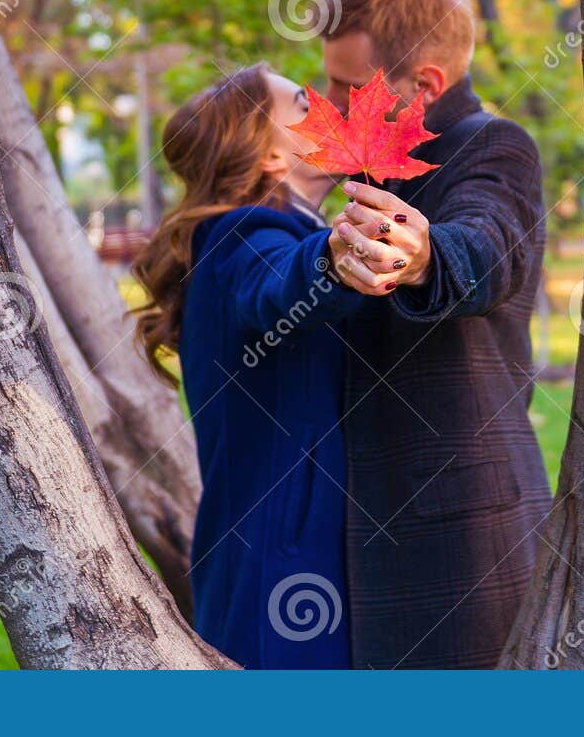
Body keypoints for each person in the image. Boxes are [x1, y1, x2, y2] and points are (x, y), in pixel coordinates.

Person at [320, 0, 553, 669]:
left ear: (424, 85)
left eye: (349, 87)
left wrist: (421, 256)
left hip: (456, 534)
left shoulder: (493, 146)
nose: (329, 103)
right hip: (364, 520)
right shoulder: (370, 169)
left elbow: (487, 246)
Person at [132, 63, 398, 669]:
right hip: (282, 573)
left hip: (279, 559)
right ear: (273, 158)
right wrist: (334, 259)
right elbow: (279, 284)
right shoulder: (242, 236)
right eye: (302, 103)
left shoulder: (263, 233)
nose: (326, 107)